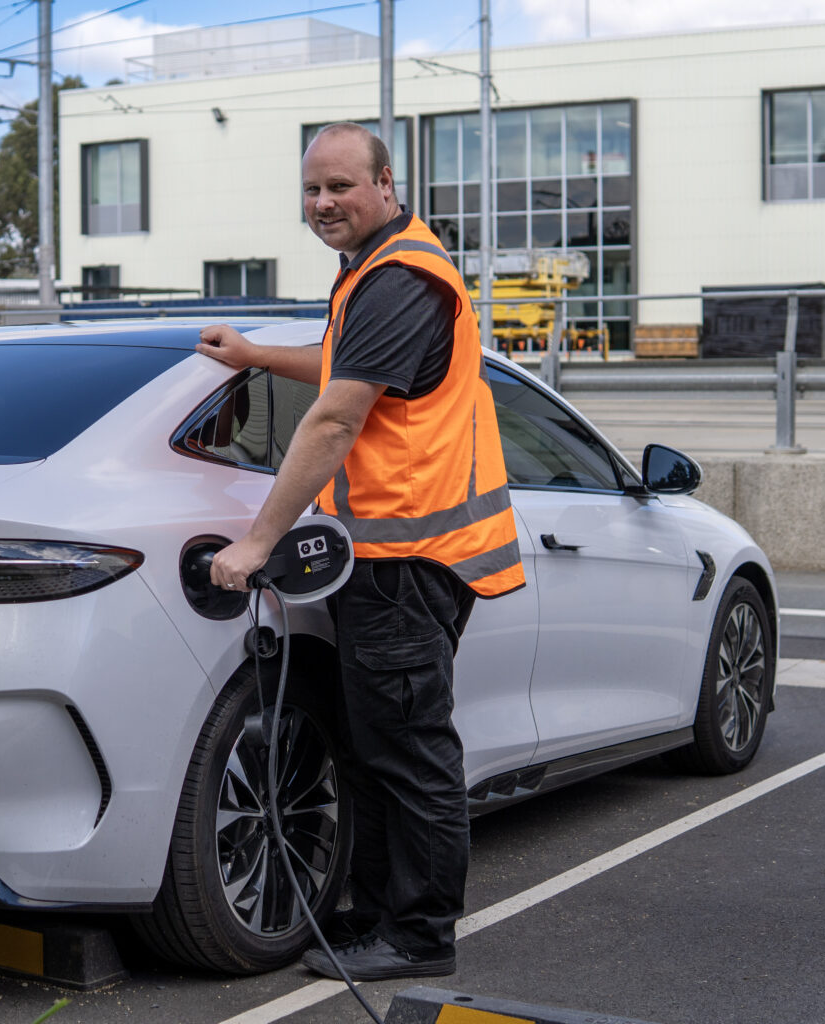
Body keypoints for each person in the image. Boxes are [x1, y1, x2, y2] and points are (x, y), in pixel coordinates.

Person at [198, 122, 525, 981]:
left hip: (411, 560)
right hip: (381, 559)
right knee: (380, 748)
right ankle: (375, 918)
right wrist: (256, 354)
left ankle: (419, 935)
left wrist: (260, 538)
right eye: (310, 191)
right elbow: (346, 368)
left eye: (340, 186)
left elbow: (341, 417)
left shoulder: (401, 279)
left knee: (411, 752)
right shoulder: (376, 274)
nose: (323, 204)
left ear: (386, 182)